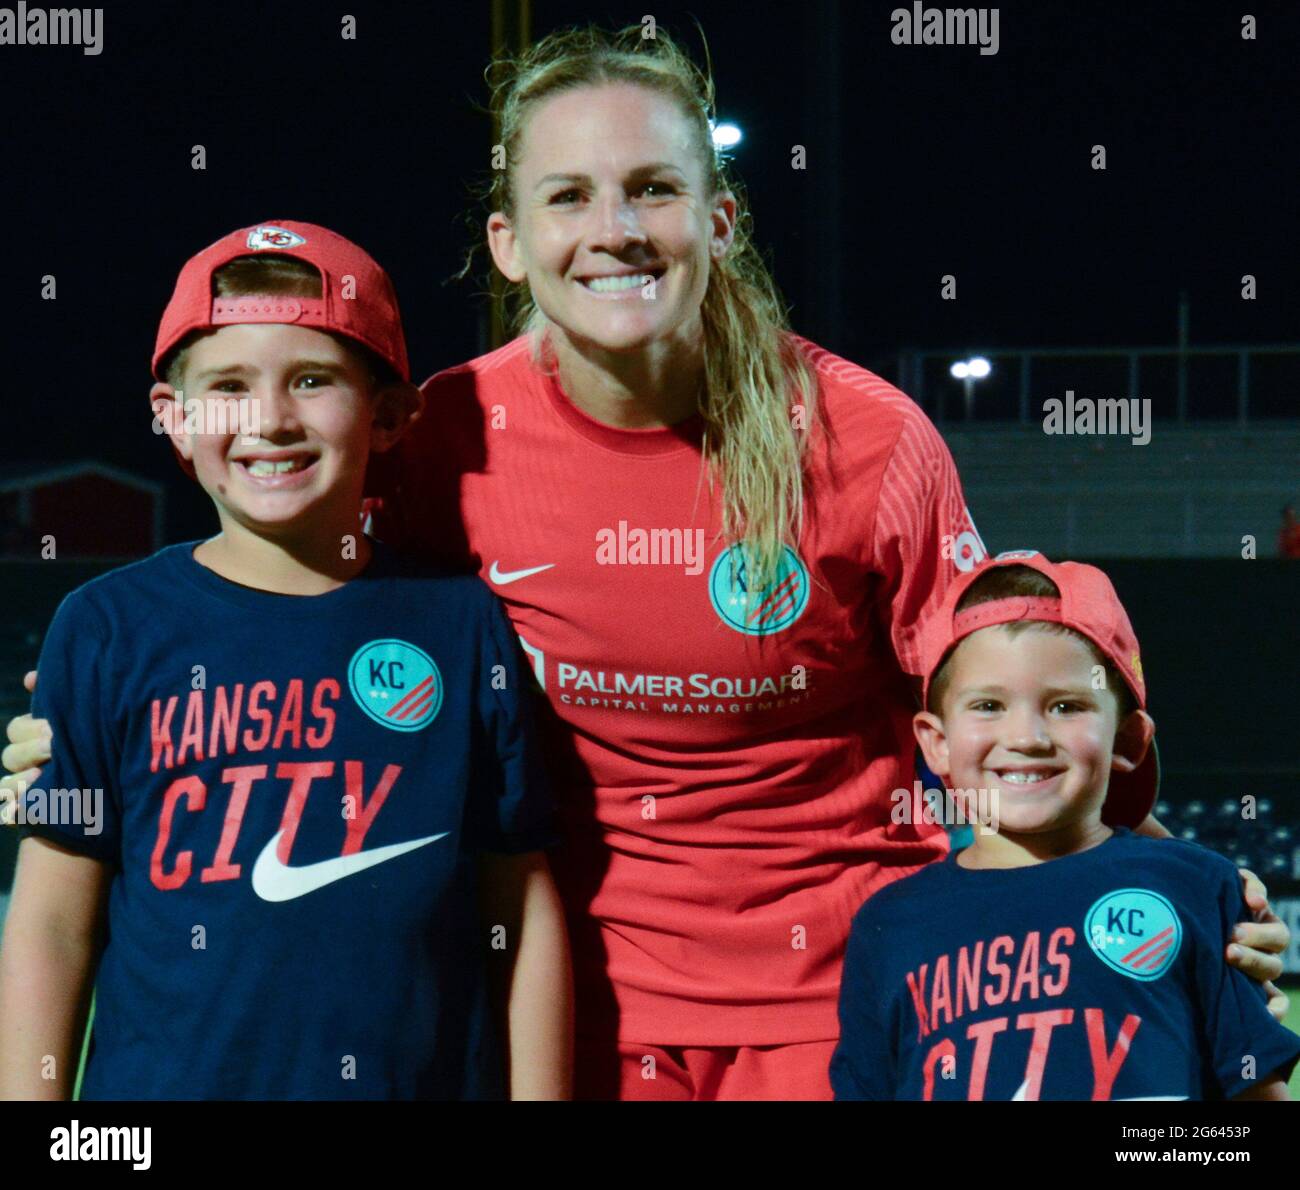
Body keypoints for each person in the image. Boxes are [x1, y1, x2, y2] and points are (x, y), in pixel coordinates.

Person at [3, 26, 1290, 1101]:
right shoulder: (443, 437)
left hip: (833, 999)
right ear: (508, 243)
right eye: (566, 196)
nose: (611, 230)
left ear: (719, 219)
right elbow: (273, 590)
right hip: (572, 1005)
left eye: (652, 190)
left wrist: (1172, 886)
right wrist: (86, 743)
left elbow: (1002, 704)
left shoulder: (865, 438)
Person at [0, 221, 571, 1101]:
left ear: (388, 415)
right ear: (175, 419)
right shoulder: (104, 627)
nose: (268, 418)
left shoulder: (461, 625)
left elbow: (521, 906)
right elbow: (50, 921)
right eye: (228, 386)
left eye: (312, 379)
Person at [831, 553, 1300, 1100]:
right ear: (936, 742)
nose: (1027, 736)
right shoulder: (890, 925)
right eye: (987, 705)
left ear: (1127, 741)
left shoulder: (1196, 888)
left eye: (1065, 706)